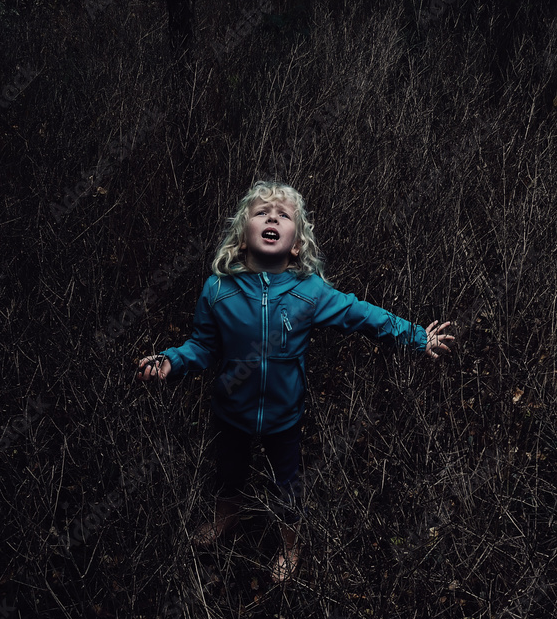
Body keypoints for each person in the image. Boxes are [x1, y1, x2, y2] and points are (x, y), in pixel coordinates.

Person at [136, 181, 454, 584]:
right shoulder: (218, 289)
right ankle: (226, 518)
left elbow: (363, 315)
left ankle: (290, 543)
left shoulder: (310, 292)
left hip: (285, 417)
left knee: (286, 485)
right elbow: (201, 345)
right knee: (228, 472)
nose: (272, 217)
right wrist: (171, 361)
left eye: (283, 215)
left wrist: (415, 335)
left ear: (297, 245)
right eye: (261, 213)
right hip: (231, 411)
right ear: (243, 236)